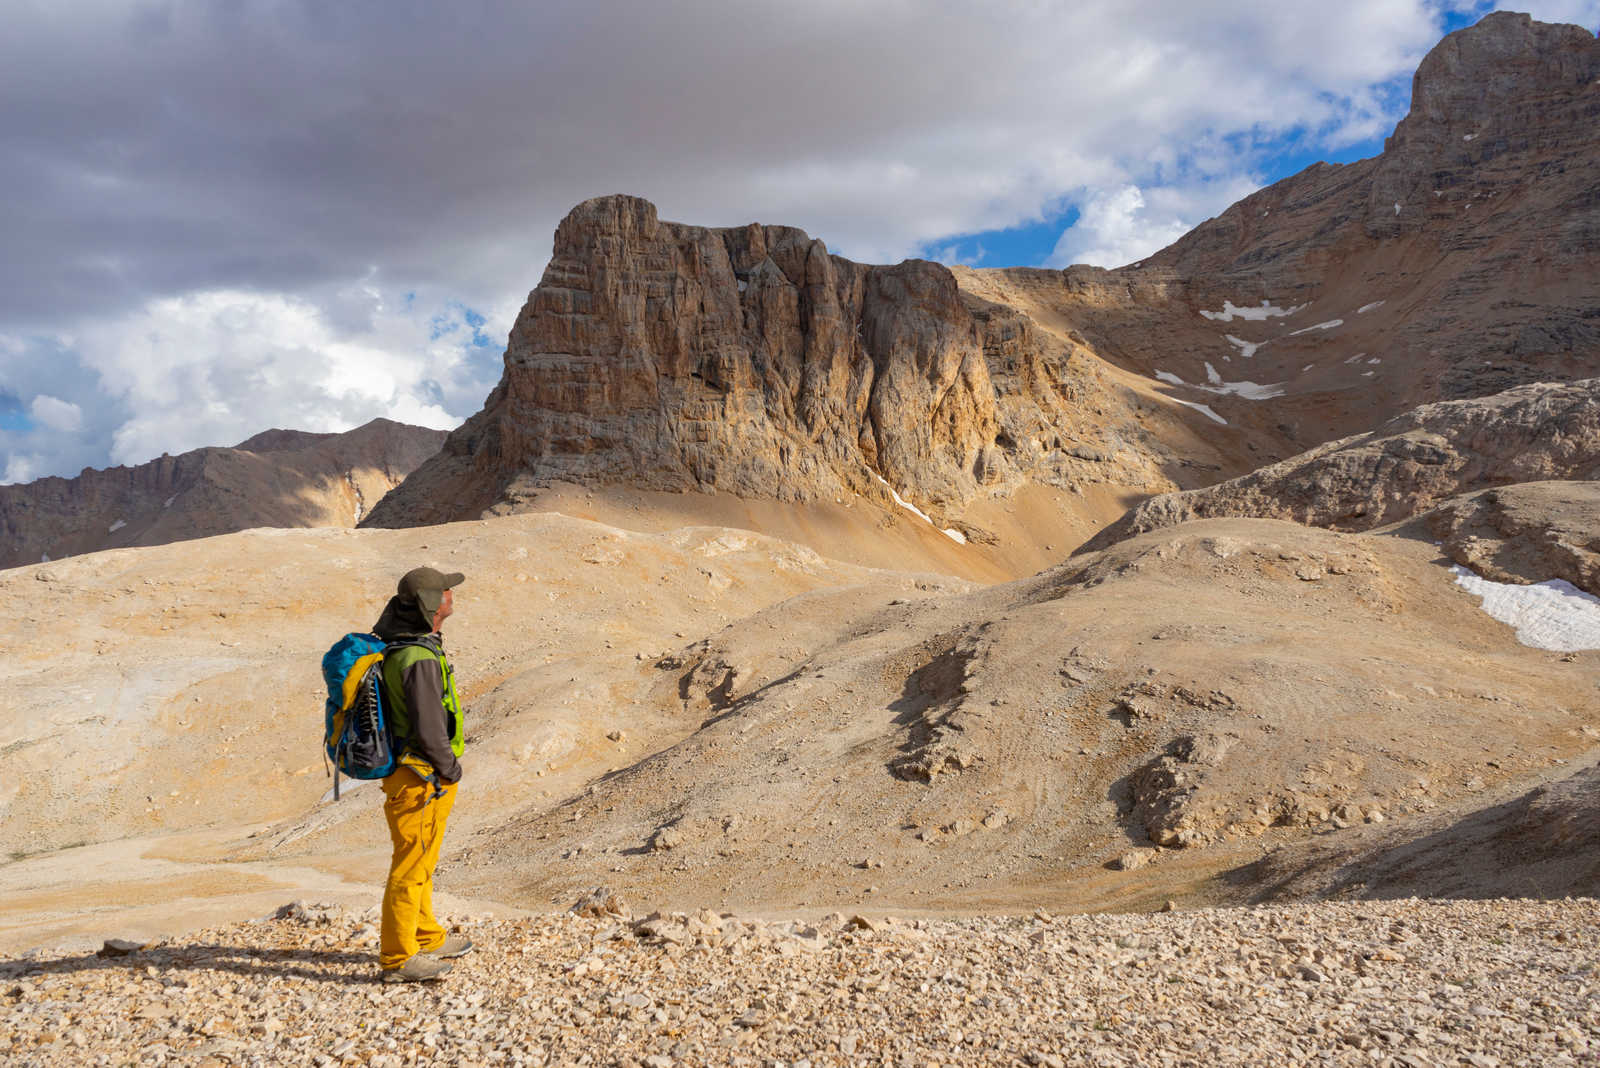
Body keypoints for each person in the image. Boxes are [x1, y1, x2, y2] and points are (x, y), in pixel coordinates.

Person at [372, 565, 470, 983]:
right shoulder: (417, 658)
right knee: (410, 866)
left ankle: (425, 934)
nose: (451, 594)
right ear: (431, 603)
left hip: (417, 775)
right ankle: (397, 958)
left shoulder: (411, 647)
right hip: (421, 778)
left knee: (422, 859)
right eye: (445, 590)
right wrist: (450, 769)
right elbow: (430, 729)